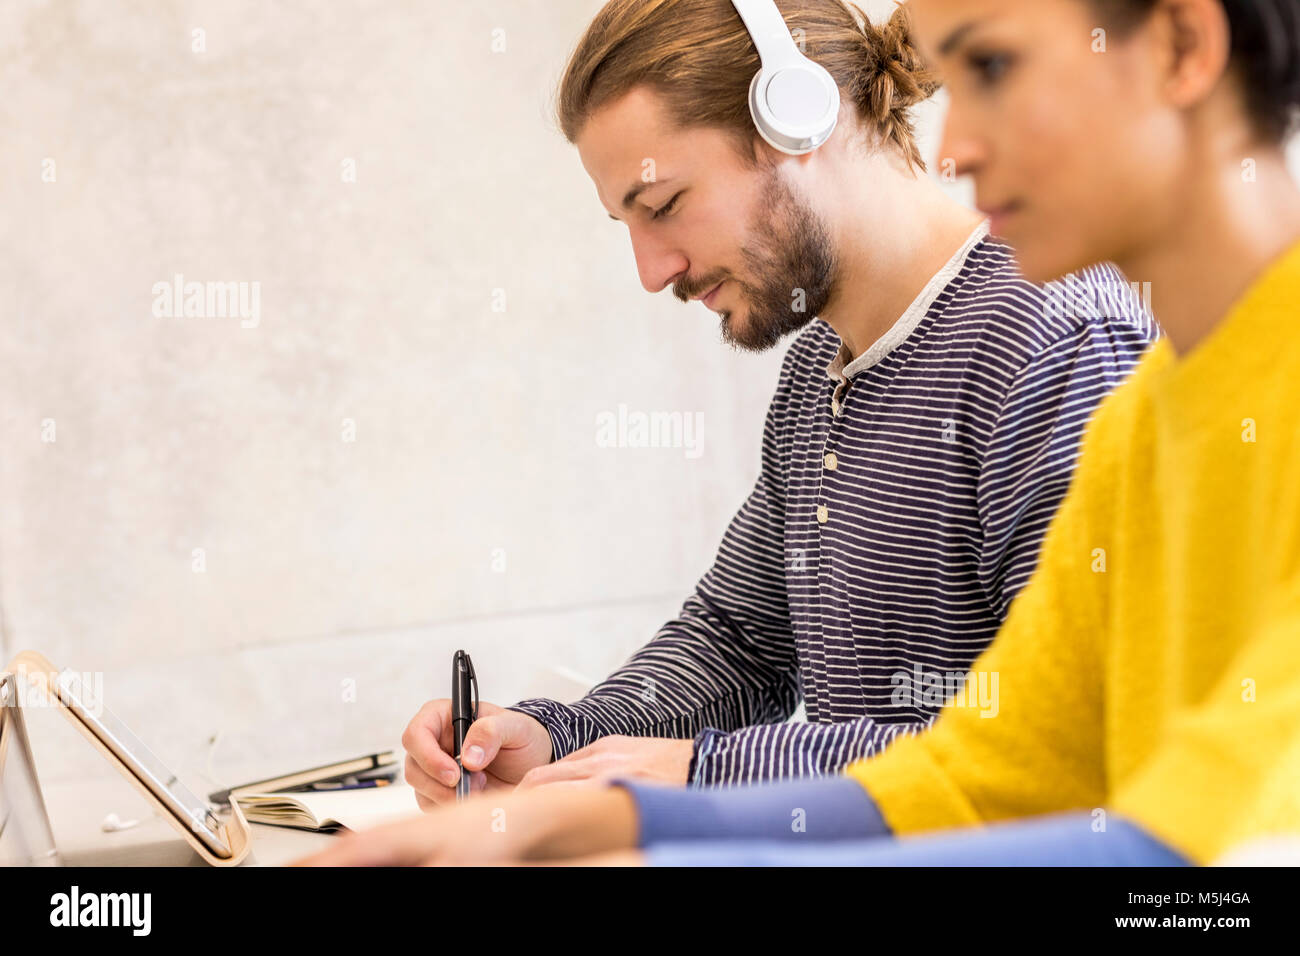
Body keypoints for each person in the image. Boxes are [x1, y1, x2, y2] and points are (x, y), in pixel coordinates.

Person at [297, 0, 1300, 867]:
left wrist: (666, 806)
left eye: (990, 67)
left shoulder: (1075, 349)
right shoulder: (1149, 415)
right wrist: (569, 794)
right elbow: (979, 771)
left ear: (1181, 44)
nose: (953, 145)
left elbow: (1182, 858)